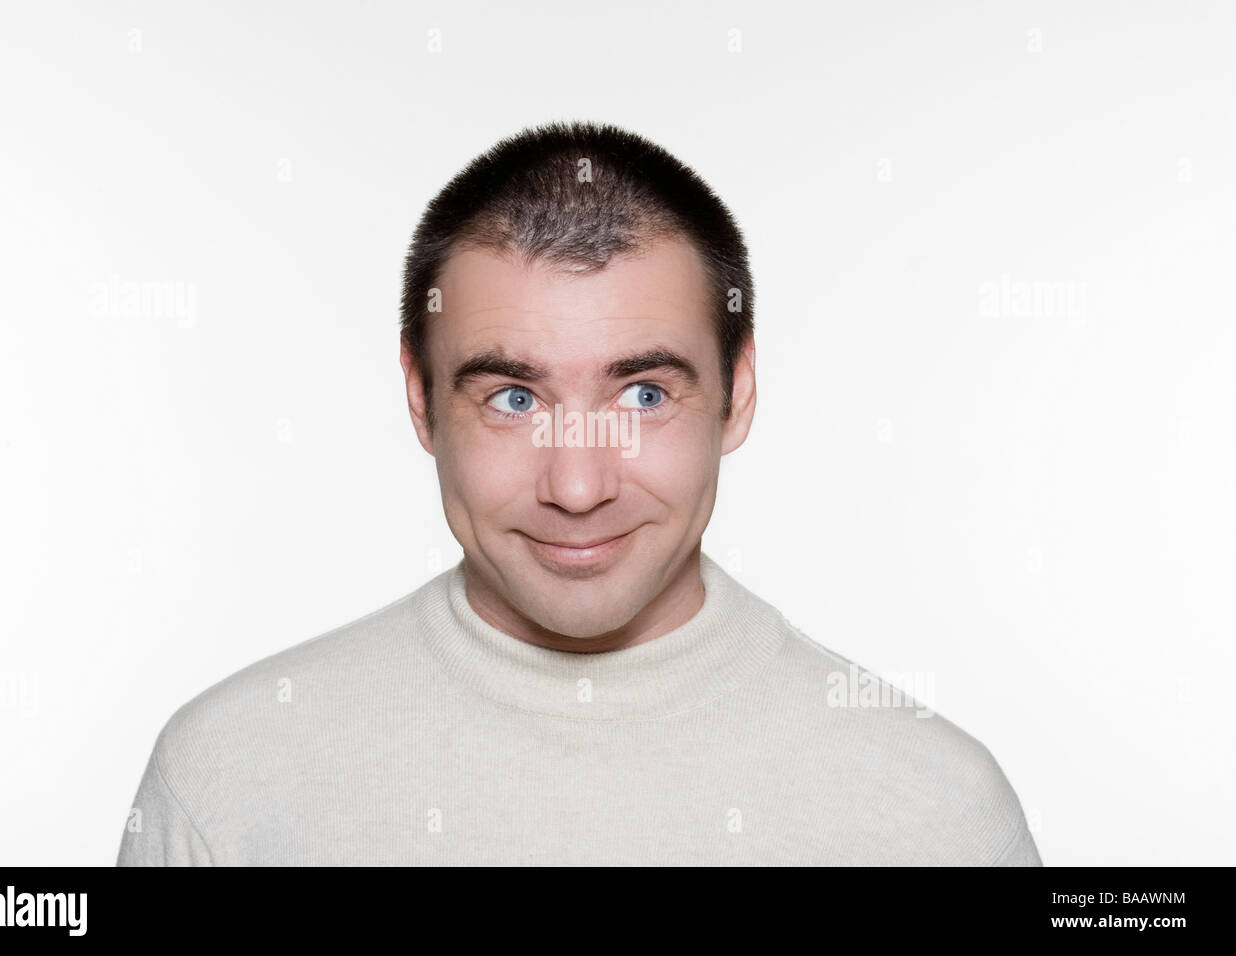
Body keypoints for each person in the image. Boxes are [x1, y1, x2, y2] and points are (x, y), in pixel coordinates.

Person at [116, 120, 1041, 865]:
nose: (579, 484)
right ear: (420, 402)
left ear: (739, 394)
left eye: (643, 395)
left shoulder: (935, 811)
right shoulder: (229, 779)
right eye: (514, 399)